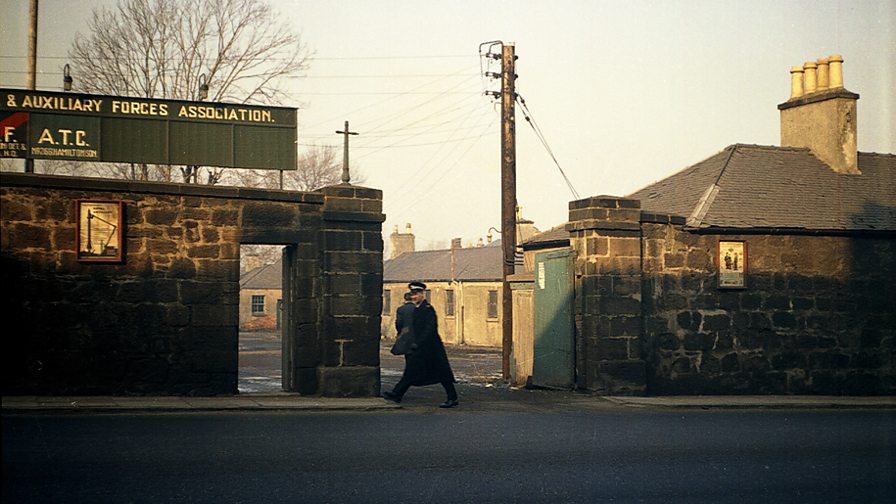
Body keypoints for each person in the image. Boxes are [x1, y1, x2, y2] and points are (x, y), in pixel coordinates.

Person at [382, 281, 459, 408]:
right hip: (421, 347)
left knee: (441, 373)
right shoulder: (417, 309)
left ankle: (452, 398)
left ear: (422, 294)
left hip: (430, 347)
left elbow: (430, 328)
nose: (414, 297)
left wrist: (418, 343)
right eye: (413, 294)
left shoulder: (427, 309)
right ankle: (397, 393)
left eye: (416, 294)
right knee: (412, 371)